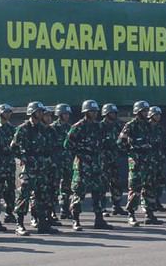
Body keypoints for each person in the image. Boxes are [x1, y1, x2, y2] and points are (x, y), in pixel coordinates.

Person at [11, 101, 57, 235]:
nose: (41, 114)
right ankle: (19, 224)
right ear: (32, 113)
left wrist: (47, 160)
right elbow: (13, 147)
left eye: (42, 111)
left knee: (42, 196)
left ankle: (43, 224)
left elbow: (50, 146)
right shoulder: (23, 128)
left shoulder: (44, 129)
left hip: (42, 168)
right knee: (23, 195)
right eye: (39, 111)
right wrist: (24, 157)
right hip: (29, 168)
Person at [67, 99, 111, 231]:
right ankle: (75, 219)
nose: (95, 113)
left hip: (96, 164)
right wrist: (81, 152)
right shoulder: (78, 126)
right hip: (83, 165)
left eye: (96, 111)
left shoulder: (99, 126)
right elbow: (68, 144)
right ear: (86, 112)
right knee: (79, 192)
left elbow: (104, 143)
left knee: (99, 193)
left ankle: (99, 219)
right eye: (92, 111)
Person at [118, 100, 154, 226]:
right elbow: (120, 143)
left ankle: (149, 214)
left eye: (147, 111)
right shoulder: (130, 125)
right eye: (144, 111)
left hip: (147, 161)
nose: (146, 113)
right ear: (138, 112)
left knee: (149, 187)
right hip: (136, 161)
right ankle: (131, 214)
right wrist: (132, 150)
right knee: (135, 188)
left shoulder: (148, 125)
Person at [0, 104, 18, 224]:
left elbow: (17, 145)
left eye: (9, 112)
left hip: (9, 163)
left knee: (10, 190)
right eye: (5, 112)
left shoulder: (12, 129)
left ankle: (9, 213)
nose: (8, 114)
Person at [100, 103, 124, 216]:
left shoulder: (118, 125)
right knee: (103, 184)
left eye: (115, 113)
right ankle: (102, 208)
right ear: (106, 114)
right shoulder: (100, 126)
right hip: (103, 159)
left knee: (116, 183)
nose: (114, 115)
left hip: (115, 158)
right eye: (111, 113)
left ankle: (116, 206)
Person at [52, 103, 74, 220]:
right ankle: (52, 211)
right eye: (64, 114)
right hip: (56, 161)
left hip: (68, 161)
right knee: (54, 186)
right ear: (59, 114)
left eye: (68, 114)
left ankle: (65, 209)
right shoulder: (52, 128)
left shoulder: (70, 128)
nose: (67, 116)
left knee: (67, 187)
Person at [148, 106, 166, 212]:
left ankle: (157, 201)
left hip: (159, 158)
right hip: (148, 159)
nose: (158, 117)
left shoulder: (160, 128)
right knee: (149, 182)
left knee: (160, 181)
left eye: (159, 115)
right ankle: (149, 204)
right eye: (156, 115)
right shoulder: (146, 127)